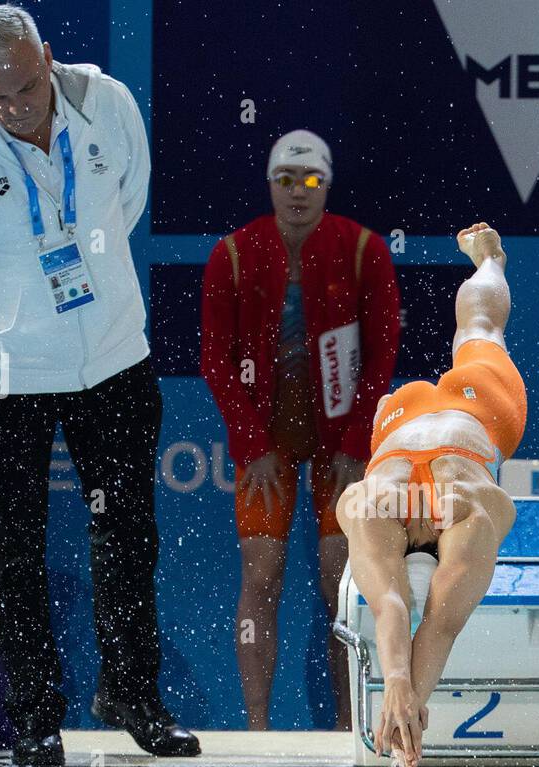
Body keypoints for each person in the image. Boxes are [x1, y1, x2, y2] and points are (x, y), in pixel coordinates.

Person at [0, 4, 197, 765]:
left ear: (47, 58)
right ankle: (34, 713)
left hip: (113, 361)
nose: (17, 107)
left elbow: (126, 199)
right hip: (6, 380)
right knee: (13, 549)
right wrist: (8, 317)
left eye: (27, 88)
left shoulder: (105, 104)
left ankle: (133, 692)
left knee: (128, 532)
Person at [201, 129, 399, 730]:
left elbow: (382, 353)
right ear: (269, 185)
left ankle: (346, 722)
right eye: (286, 179)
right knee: (261, 576)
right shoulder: (233, 255)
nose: (297, 192)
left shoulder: (363, 251)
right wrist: (253, 444)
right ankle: (257, 726)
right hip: (268, 447)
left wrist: (352, 442)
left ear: (327, 185)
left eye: (310, 180)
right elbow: (215, 359)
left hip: (341, 445)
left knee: (340, 583)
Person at [336, 223, 525, 767]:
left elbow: (403, 608)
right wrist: (404, 696)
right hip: (410, 421)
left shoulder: (392, 507)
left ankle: (490, 261)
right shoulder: (458, 509)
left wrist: (401, 688)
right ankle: (488, 260)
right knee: (481, 329)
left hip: (451, 419)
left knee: (483, 329)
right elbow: (427, 619)